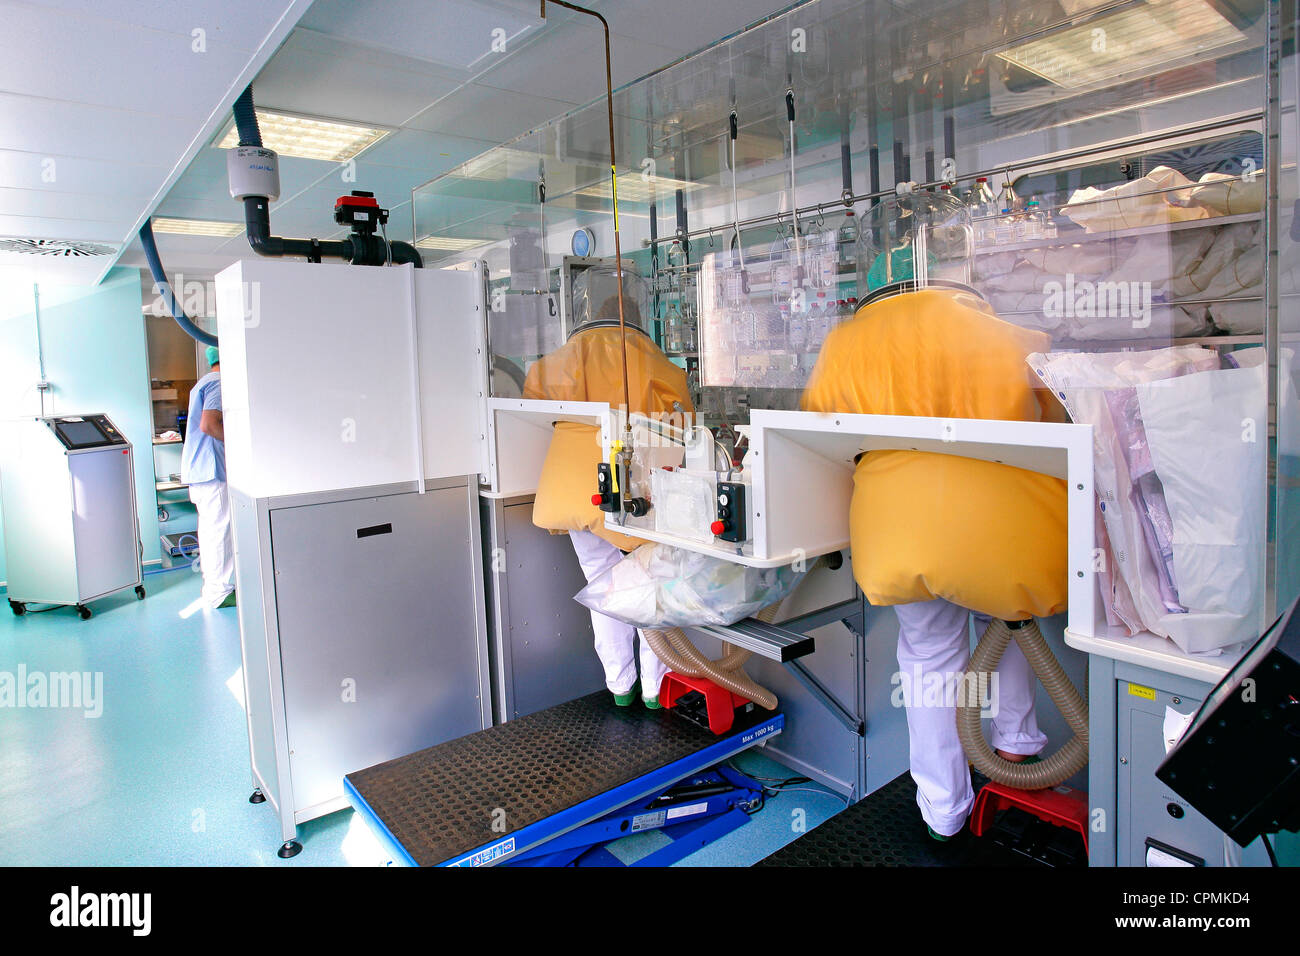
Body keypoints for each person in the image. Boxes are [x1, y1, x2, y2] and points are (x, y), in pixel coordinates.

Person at [802, 282, 1069, 842]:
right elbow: (1058, 426)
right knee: (1011, 626)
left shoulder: (845, 344)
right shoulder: (1007, 338)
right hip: (1002, 527)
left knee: (930, 658)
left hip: (898, 526)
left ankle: (944, 810)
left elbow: (817, 430)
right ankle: (1016, 751)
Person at [524, 294, 693, 707]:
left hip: (566, 488)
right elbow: (683, 424)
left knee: (601, 587)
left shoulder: (554, 362)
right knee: (648, 590)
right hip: (624, 486)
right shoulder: (654, 362)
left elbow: (531, 407)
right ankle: (657, 691)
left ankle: (620, 687)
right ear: (637, 320)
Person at [181, 346, 235, 609]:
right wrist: (239, 444)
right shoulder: (219, 382)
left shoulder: (203, 382)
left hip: (202, 472)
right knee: (220, 531)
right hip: (213, 471)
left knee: (212, 531)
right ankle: (220, 593)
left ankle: (215, 587)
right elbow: (210, 424)